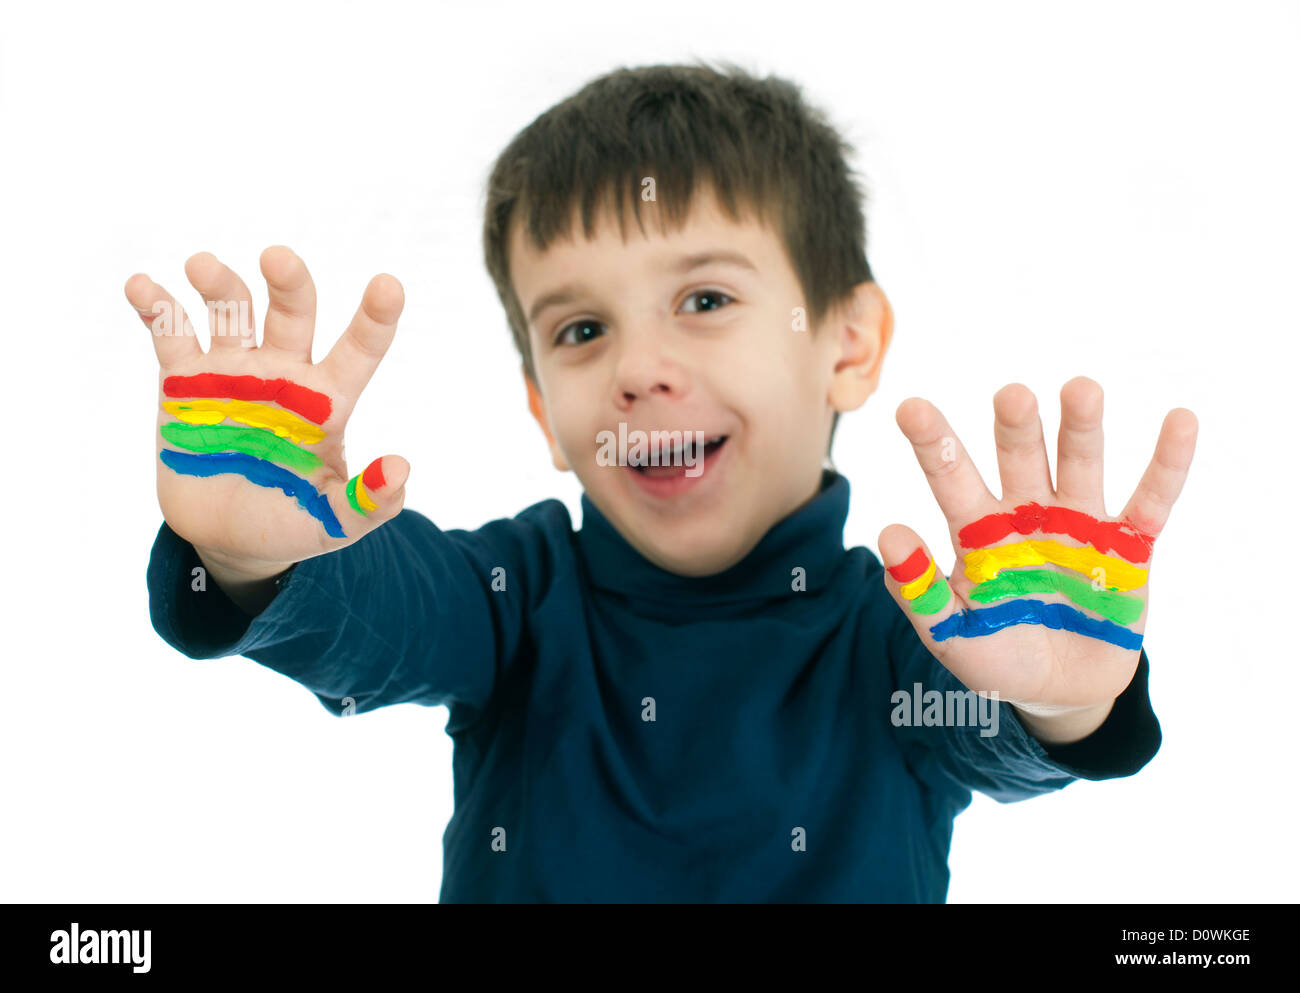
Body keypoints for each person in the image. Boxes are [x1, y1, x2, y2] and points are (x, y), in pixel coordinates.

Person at [127, 61, 1196, 902]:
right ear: (545, 413)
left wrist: (1066, 702)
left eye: (703, 302)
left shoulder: (902, 641)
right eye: (582, 330)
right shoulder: (514, 601)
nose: (637, 370)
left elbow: (992, 728)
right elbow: (382, 610)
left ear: (847, 344)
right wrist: (250, 559)